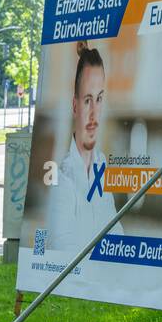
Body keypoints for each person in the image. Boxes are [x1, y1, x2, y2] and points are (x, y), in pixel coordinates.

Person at [45, 42, 124, 253]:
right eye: (87, 100)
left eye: (99, 99)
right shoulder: (62, 174)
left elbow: (115, 233)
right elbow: (63, 248)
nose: (93, 114)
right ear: (75, 106)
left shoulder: (100, 164)